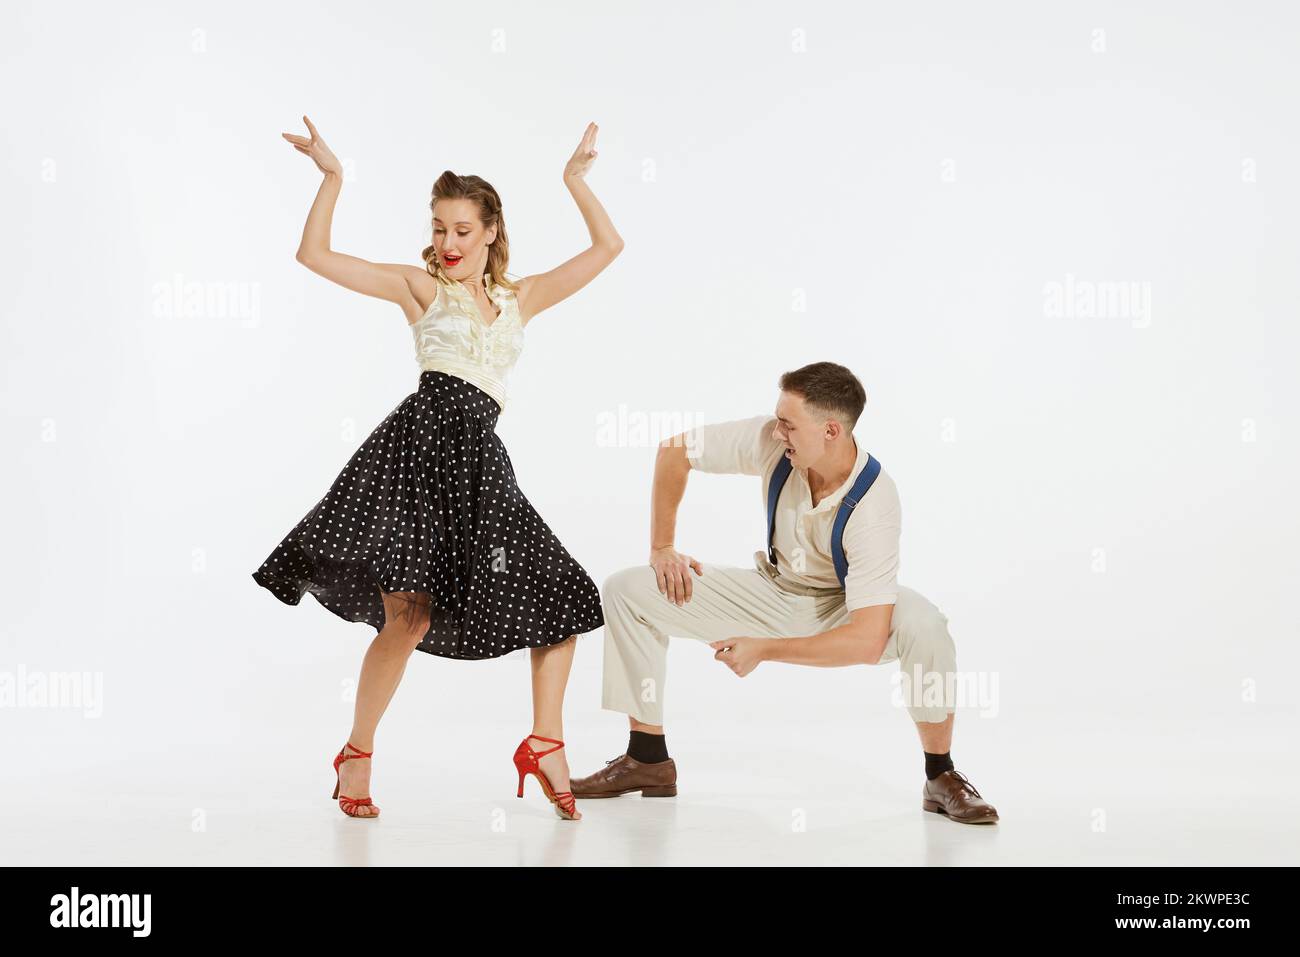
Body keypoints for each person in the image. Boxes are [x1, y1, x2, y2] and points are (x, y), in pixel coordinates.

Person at [252, 116, 622, 821]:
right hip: (418, 455)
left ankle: (546, 741)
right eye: (440, 228)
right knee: (408, 618)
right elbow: (313, 254)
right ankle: (356, 753)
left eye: (461, 230)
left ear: (490, 232)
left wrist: (574, 181)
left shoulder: (523, 298)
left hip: (482, 466)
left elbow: (609, 246)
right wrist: (333, 178)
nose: (447, 244)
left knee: (562, 596)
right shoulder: (417, 288)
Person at [570, 361, 999, 824]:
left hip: (844, 606)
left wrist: (766, 650)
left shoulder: (874, 503)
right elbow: (675, 449)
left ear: (831, 430)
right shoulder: (770, 444)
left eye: (789, 424)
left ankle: (941, 775)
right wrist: (662, 547)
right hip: (771, 590)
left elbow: (867, 639)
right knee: (628, 590)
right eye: (778, 420)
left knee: (926, 625)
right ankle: (647, 759)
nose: (777, 433)